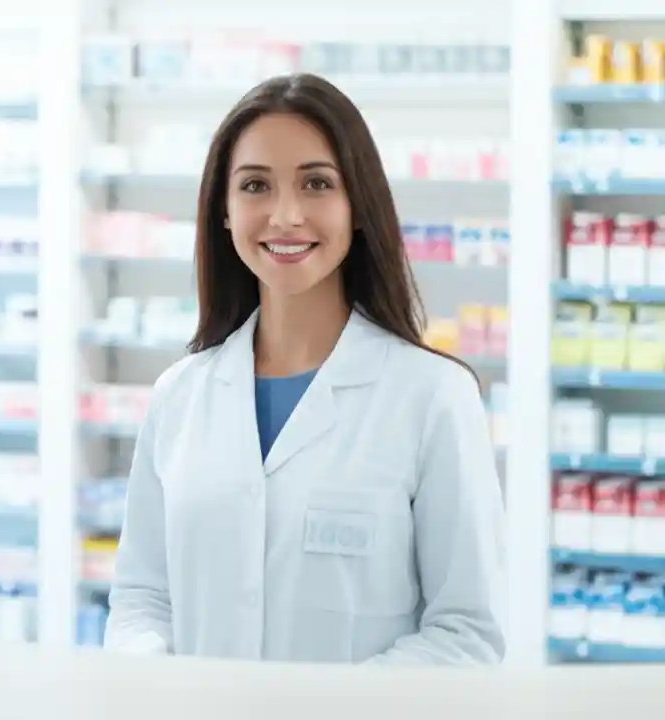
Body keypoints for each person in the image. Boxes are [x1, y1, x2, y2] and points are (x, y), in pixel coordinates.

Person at [103, 73, 506, 664]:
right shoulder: (179, 396)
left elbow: (466, 633)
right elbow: (142, 599)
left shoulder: (433, 397)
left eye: (316, 183)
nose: (285, 215)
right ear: (224, 210)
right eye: (255, 186)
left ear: (358, 206)